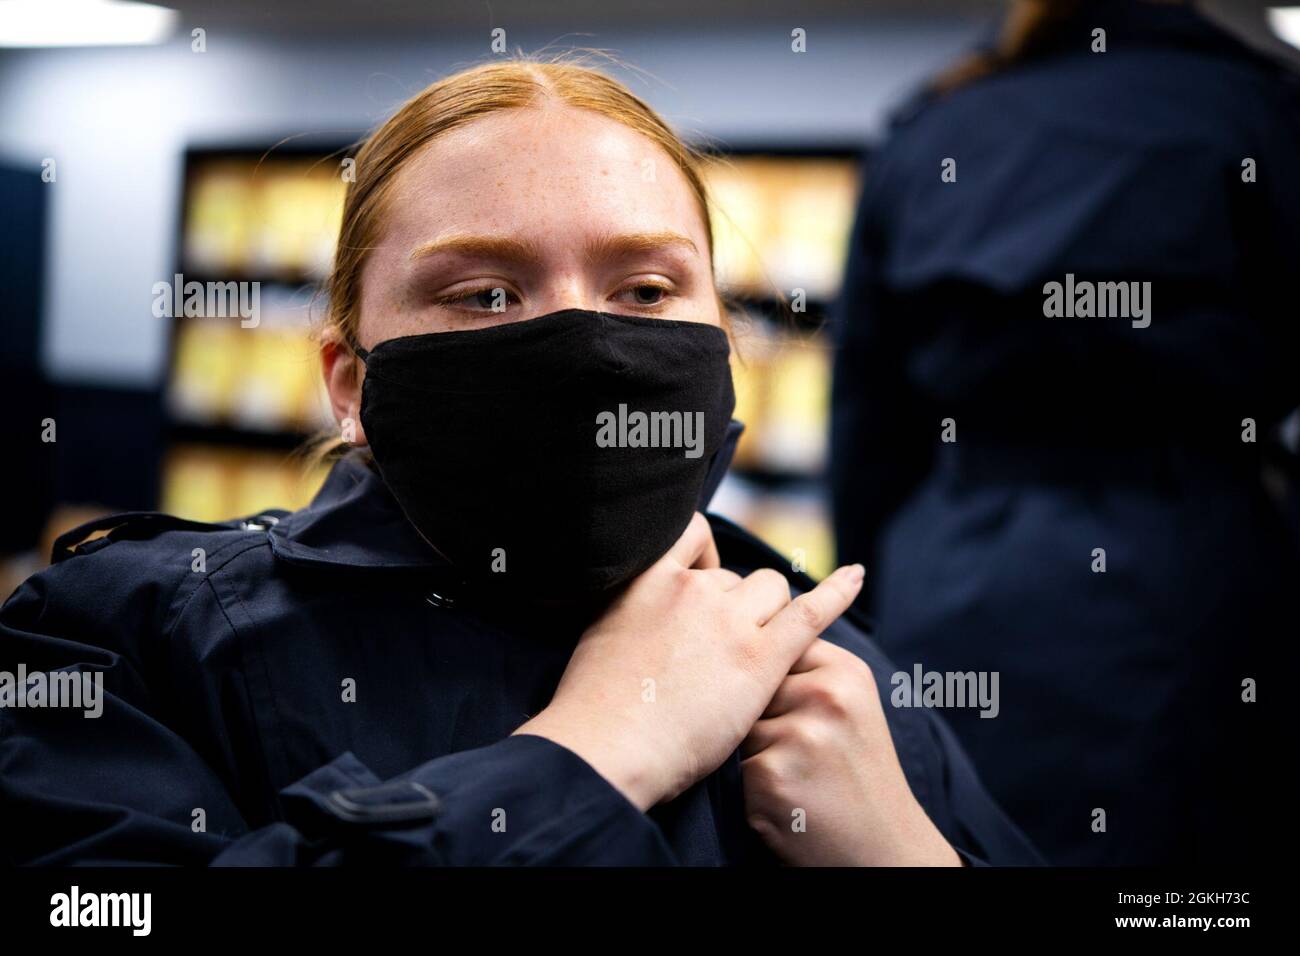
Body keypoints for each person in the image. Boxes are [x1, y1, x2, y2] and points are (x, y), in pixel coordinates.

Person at [0, 58, 1040, 867]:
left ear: (724, 339)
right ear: (352, 383)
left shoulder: (827, 661)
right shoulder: (120, 640)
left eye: (643, 289)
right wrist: (586, 758)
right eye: (485, 294)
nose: (584, 342)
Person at [830, 0, 1299, 865]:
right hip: (1195, 568)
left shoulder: (935, 126)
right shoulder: (1257, 111)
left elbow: (866, 418)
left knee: (956, 823)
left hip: (957, 568)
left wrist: (871, 604)